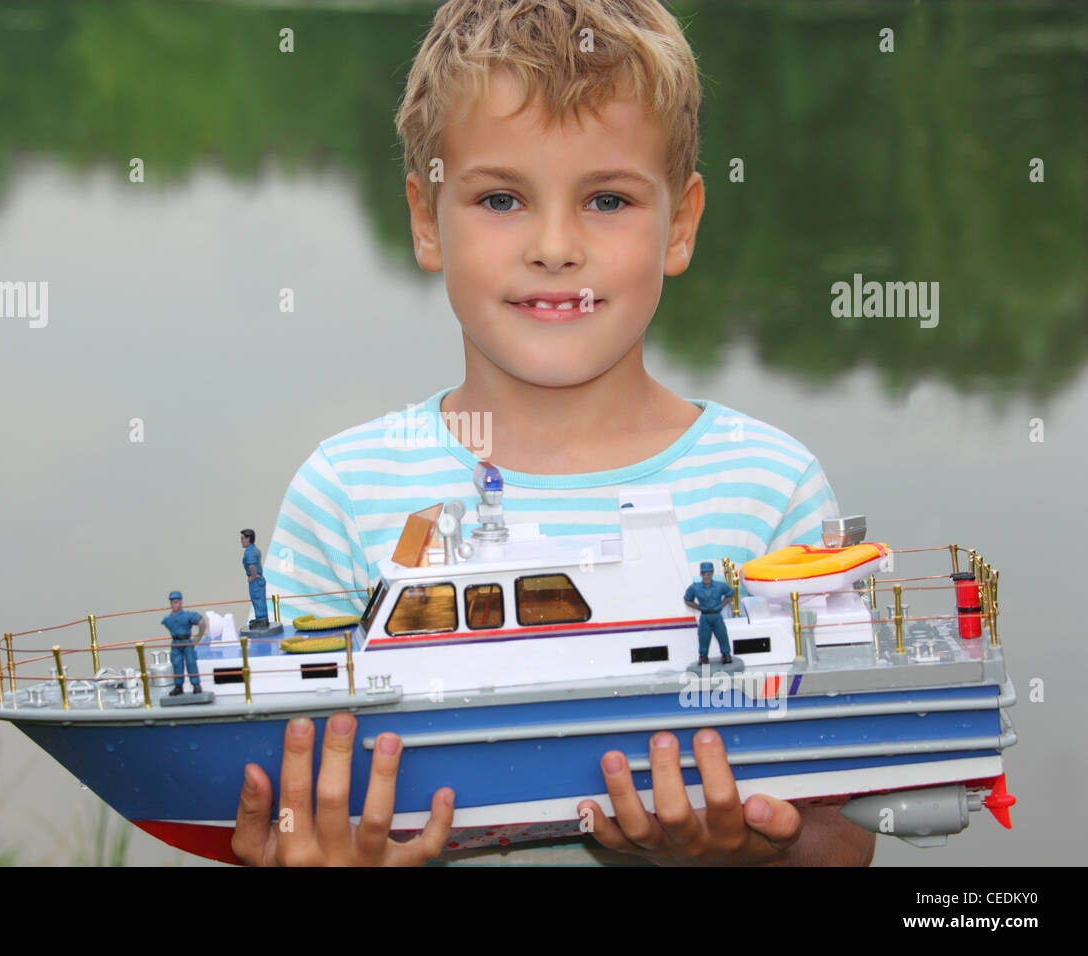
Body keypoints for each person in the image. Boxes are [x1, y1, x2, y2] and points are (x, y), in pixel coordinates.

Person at [241, 0, 873, 867]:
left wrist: (749, 852)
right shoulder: (346, 490)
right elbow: (284, 783)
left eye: (606, 199)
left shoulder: (770, 488)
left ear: (680, 224)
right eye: (501, 198)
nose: (553, 246)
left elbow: (844, 838)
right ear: (427, 219)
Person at [684, 561, 735, 665]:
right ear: (700, 574)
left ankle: (726, 655)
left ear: (712, 574)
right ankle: (703, 657)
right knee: (703, 637)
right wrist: (699, 608)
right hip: (705, 617)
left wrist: (722, 605)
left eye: (708, 574)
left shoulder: (720, 586)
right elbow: (687, 600)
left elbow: (730, 594)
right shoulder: (695, 587)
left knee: (722, 635)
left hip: (717, 616)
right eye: (704, 574)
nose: (706, 576)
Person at [161, 590, 205, 696]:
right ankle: (178, 686)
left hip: (187, 642)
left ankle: (196, 685)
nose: (175, 604)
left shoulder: (187, 616)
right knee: (177, 664)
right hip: (176, 644)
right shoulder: (168, 619)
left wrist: (198, 638)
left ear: (180, 602)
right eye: (173, 602)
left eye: (177, 602)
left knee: (191, 663)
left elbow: (201, 622)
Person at [240, 529, 268, 627]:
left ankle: (262, 620)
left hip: (256, 580)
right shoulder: (254, 549)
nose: (241, 540)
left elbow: (252, 566)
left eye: (243, 538)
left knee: (257, 599)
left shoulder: (249, 552)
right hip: (258, 580)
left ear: (248, 538)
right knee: (259, 599)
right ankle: (260, 619)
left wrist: (253, 576)